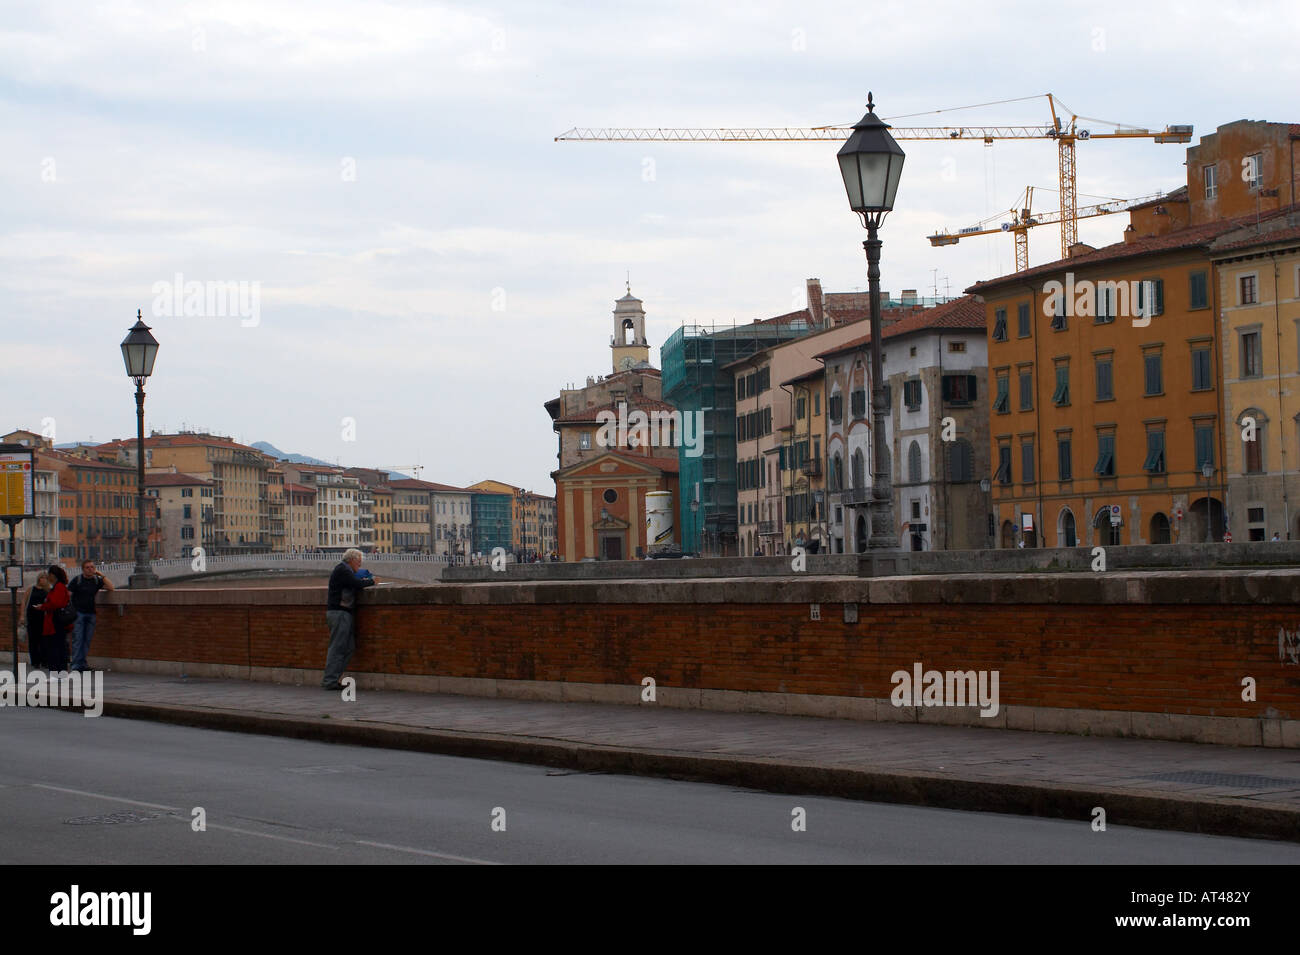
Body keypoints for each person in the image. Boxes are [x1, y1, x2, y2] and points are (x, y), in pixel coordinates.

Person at [322, 548, 376, 690]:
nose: (360, 565)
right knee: (338, 647)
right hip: (339, 613)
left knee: (348, 647)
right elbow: (356, 584)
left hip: (342, 613)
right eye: (359, 562)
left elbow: (353, 582)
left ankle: (333, 678)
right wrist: (372, 582)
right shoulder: (343, 570)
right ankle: (330, 680)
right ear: (352, 560)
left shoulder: (345, 571)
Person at [67, 559, 114, 672]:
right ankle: (76, 665)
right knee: (78, 639)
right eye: (88, 567)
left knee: (87, 640)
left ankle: (82, 664)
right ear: (83, 569)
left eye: (92, 567)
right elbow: (68, 595)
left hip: (91, 613)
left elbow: (111, 587)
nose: (90, 569)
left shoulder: (96, 581)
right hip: (78, 613)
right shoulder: (77, 580)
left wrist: (101, 574)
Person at [33, 564, 72, 675]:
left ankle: (57, 672)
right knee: (58, 647)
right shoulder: (59, 587)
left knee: (55, 648)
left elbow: (56, 603)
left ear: (52, 576)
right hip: (57, 621)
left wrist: (43, 606)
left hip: (56, 622)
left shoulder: (58, 587)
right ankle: (60, 672)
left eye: (48, 575)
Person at [24, 572, 50, 668]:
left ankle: (44, 660)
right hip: (32, 617)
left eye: (45, 578)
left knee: (44, 640)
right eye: (41, 578)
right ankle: (35, 661)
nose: (43, 579)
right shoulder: (31, 589)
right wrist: (22, 616)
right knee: (33, 640)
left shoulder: (48, 590)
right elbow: (24, 601)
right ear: (38, 579)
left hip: (43, 617)